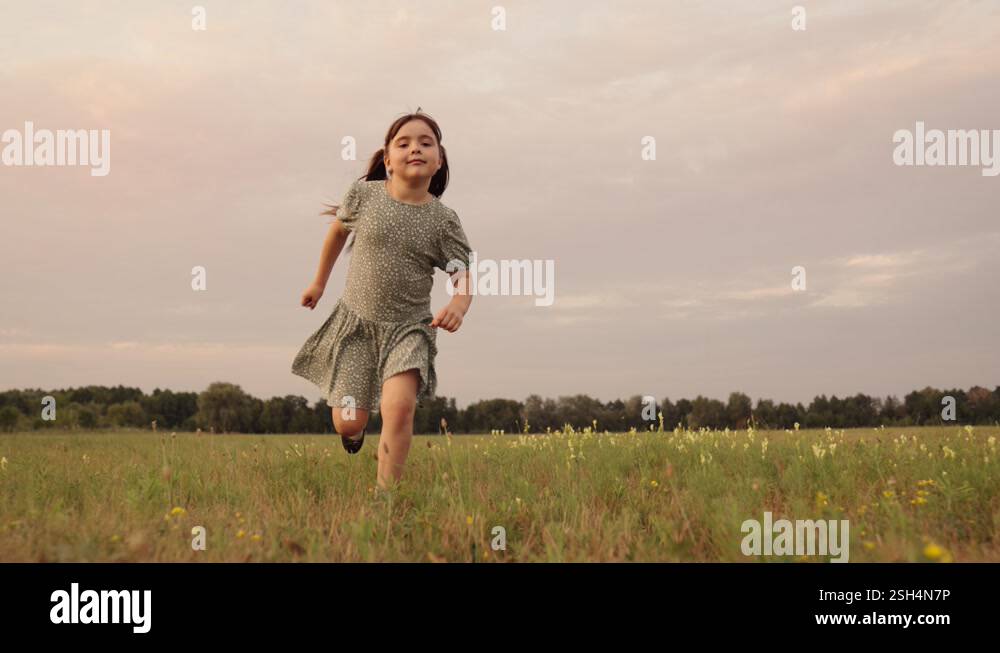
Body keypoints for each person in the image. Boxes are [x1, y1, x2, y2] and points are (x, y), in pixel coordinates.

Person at [291, 109, 473, 491]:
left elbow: (461, 272)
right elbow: (337, 233)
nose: (415, 149)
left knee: (399, 407)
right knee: (348, 420)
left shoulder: (443, 220)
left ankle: (385, 496)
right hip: (357, 323)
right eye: (403, 143)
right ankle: (353, 435)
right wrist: (319, 283)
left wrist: (459, 302)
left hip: (408, 329)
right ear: (387, 159)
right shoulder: (364, 196)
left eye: (426, 143)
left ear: (439, 160)